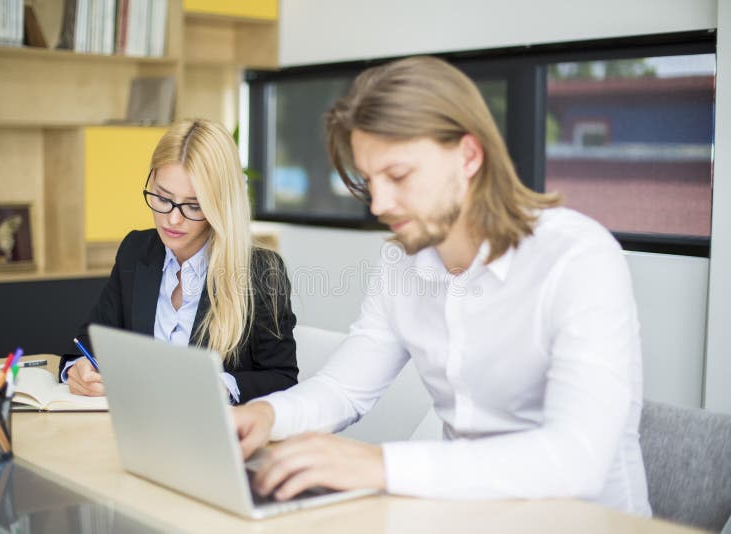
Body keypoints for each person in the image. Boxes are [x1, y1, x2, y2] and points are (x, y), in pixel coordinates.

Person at [233, 56, 651, 516]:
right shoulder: (402, 262)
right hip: (463, 514)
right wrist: (267, 415)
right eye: (369, 181)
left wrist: (379, 464)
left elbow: (576, 460)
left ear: (469, 156)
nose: (378, 204)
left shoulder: (577, 258)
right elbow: (344, 389)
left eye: (398, 176)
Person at [60, 119, 298, 404]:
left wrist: (220, 386)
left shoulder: (260, 271)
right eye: (162, 198)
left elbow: (282, 378)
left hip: (209, 436)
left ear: (219, 205)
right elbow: (88, 343)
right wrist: (77, 369)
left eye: (193, 205)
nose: (173, 219)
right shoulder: (136, 250)